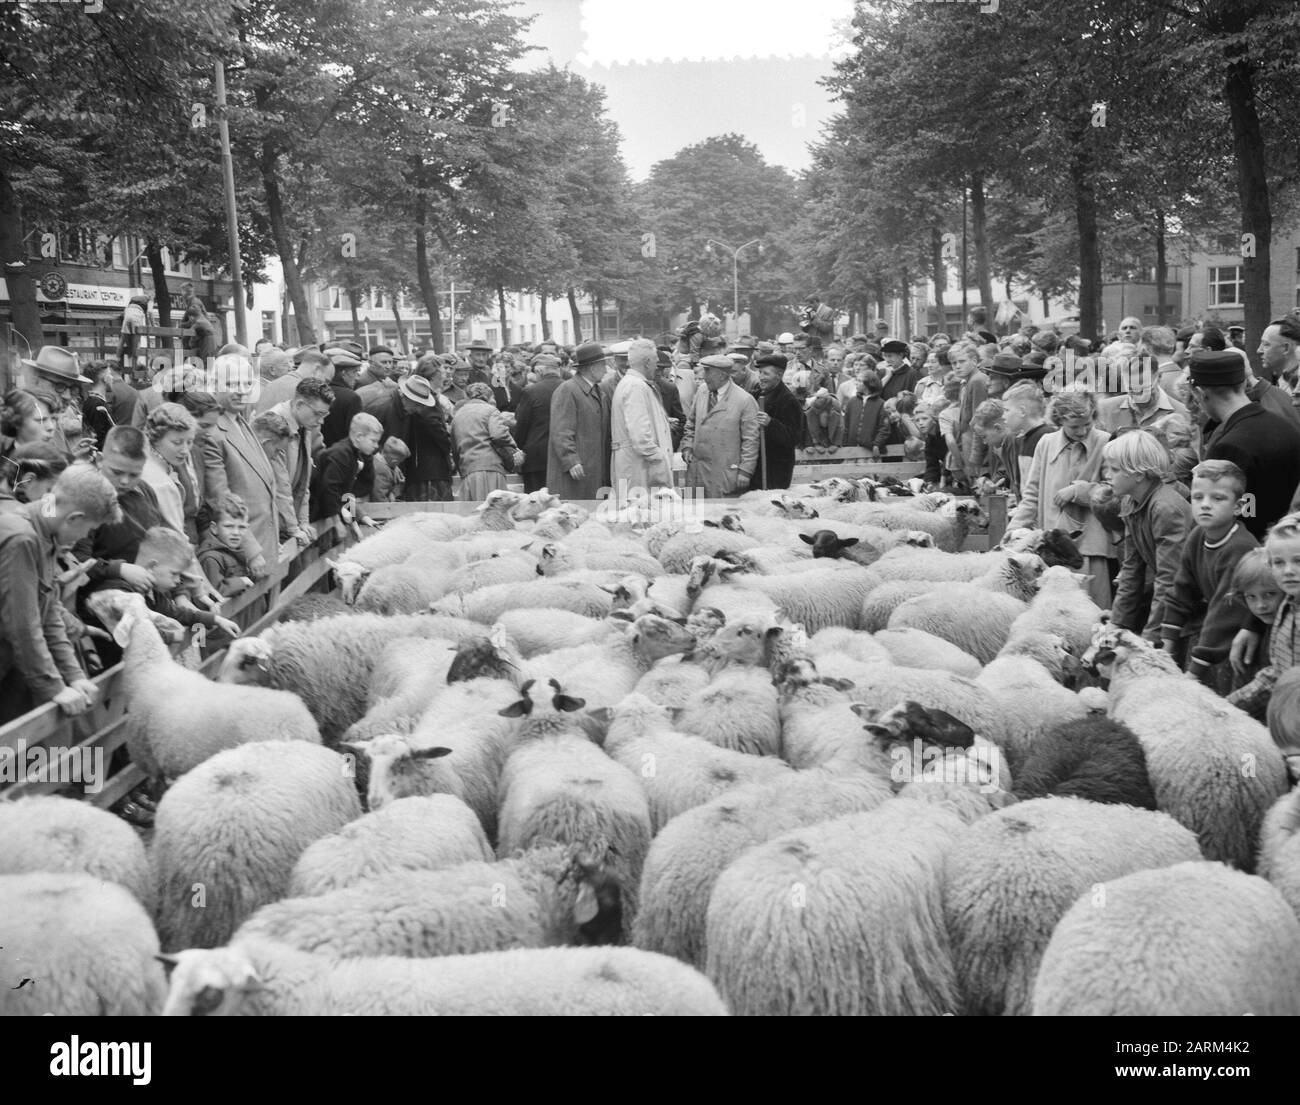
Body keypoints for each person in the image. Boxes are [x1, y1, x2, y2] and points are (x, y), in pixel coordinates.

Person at [0, 463, 119, 724]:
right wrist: (54, 687)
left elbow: (49, 610)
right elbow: (23, 625)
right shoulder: (22, 539)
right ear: (74, 518)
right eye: (89, 529)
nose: (86, 536)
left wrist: (74, 676)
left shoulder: (43, 531)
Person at [1156, 459, 1259, 683]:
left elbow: (1224, 613)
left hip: (1240, 642)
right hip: (1214, 637)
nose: (1205, 504)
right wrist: (1166, 646)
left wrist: (1193, 674)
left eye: (1218, 498)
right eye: (1198, 497)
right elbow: (1181, 589)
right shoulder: (1198, 536)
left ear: (1239, 506)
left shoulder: (1240, 547)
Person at [1009, 391, 1113, 609]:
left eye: (1087, 424)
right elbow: (1032, 493)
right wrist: (1015, 529)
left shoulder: (1105, 441)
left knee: (1091, 610)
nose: (1082, 431)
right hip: (1053, 545)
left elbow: (1113, 491)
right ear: (1059, 419)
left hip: (1090, 546)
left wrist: (1081, 492)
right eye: (1074, 427)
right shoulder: (1046, 443)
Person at [1190, 349, 1300, 540]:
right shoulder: (1284, 426)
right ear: (1242, 383)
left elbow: (1226, 519)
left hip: (1249, 554)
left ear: (1199, 392)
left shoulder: (1228, 446)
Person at [1104, 430, 1192, 643]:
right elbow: (1132, 568)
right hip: (1174, 604)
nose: (1107, 475)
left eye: (1114, 469)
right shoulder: (1130, 501)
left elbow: (1169, 578)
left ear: (1138, 474)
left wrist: (1152, 637)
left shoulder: (1165, 508)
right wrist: (1117, 622)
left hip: (1191, 610)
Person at [201, 355, 281, 565]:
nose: (241, 390)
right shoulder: (212, 431)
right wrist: (252, 551)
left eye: (246, 384)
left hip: (265, 543)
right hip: (242, 552)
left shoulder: (241, 421)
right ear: (214, 385)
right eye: (231, 384)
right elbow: (219, 498)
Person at [1228, 513, 1300, 730]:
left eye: (1299, 560)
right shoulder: (1286, 608)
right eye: (1278, 562)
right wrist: (1227, 708)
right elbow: (1277, 675)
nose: (1288, 571)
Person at [127, 526, 240, 642]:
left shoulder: (154, 593)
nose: (178, 580)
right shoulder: (125, 594)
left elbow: (178, 613)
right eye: (174, 574)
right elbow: (135, 633)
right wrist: (171, 636)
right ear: (152, 567)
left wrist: (217, 619)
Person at [265, 378, 332, 551]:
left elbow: (303, 479)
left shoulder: (304, 425)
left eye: (325, 415)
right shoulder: (274, 426)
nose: (321, 421)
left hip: (287, 520)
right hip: (272, 523)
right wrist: (293, 527)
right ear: (300, 404)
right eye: (318, 414)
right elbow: (280, 484)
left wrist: (303, 522)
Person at [681, 354, 760, 498]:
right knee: (695, 516)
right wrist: (687, 446)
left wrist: (745, 471)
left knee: (720, 515)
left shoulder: (745, 400)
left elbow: (751, 440)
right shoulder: (702, 391)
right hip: (697, 471)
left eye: (708, 371)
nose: (704, 376)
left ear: (723, 375)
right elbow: (691, 423)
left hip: (724, 474)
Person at [377, 366, 454, 502]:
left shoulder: (405, 408)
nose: (419, 409)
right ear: (406, 397)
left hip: (405, 469)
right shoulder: (387, 408)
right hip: (413, 471)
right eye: (418, 404)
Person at [610, 339, 673, 501]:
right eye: (656, 362)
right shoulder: (635, 386)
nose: (657, 366)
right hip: (639, 468)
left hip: (637, 464)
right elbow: (640, 435)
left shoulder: (633, 384)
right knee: (641, 518)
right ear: (646, 362)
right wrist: (658, 459)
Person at [548, 343, 612, 501]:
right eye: (603, 365)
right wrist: (571, 460)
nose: (606, 370)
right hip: (576, 473)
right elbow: (560, 431)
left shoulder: (597, 391)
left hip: (591, 471)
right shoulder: (568, 390)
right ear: (592, 368)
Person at [452, 382, 521, 502]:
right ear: (488, 397)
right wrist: (513, 447)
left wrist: (462, 470)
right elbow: (498, 435)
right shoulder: (490, 410)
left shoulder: (457, 415)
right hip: (491, 469)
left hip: (468, 470)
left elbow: (455, 448)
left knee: (472, 514)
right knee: (494, 512)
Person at [310, 412, 382, 523]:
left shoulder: (356, 455)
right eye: (373, 440)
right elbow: (329, 488)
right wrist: (337, 523)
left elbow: (346, 493)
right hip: (316, 515)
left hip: (328, 515)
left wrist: (356, 521)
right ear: (359, 437)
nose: (376, 446)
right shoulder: (341, 455)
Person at [141, 403, 200, 537]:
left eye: (189, 442)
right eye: (177, 443)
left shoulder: (145, 463)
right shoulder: (161, 482)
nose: (185, 450)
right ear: (155, 439)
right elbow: (175, 537)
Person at [513, 355, 565, 494]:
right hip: (564, 457)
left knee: (535, 507)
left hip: (536, 459)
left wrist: (517, 449)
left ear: (540, 372)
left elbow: (522, 425)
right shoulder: (569, 388)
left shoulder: (531, 391)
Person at [753, 354, 803, 491]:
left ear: (779, 375)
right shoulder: (757, 394)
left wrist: (771, 423)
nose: (761, 377)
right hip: (758, 463)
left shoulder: (788, 401)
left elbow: (794, 437)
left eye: (766, 373)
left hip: (776, 467)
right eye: (760, 372)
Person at [998, 383, 1052, 500]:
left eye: (1006, 410)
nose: (1003, 416)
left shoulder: (1045, 437)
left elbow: (1036, 491)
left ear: (1022, 411)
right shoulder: (1025, 438)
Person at [197, 493, 256, 599]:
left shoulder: (236, 551)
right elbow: (214, 592)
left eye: (242, 527)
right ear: (214, 528)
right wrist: (241, 582)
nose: (236, 533)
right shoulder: (211, 558)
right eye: (229, 526)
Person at [320, 348, 364, 448]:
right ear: (343, 373)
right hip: (343, 454)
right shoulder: (352, 398)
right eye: (355, 372)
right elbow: (354, 432)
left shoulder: (319, 390)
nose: (357, 378)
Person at [842, 369, 891, 457]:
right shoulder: (852, 402)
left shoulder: (881, 404)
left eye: (860, 381)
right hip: (851, 450)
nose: (856, 383)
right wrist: (845, 444)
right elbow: (846, 426)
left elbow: (884, 428)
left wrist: (877, 444)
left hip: (871, 451)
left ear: (869, 384)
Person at [80, 360, 117, 452]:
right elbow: (98, 441)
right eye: (110, 374)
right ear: (105, 378)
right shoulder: (97, 406)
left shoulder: (94, 402)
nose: (113, 378)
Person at [356, 346, 400, 413]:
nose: (388, 366)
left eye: (390, 362)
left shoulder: (387, 377)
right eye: (384, 362)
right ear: (371, 363)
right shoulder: (363, 382)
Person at [367, 436, 409, 503]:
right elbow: (379, 498)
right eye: (399, 463)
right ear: (394, 462)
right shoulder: (382, 470)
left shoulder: (376, 459)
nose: (397, 466)